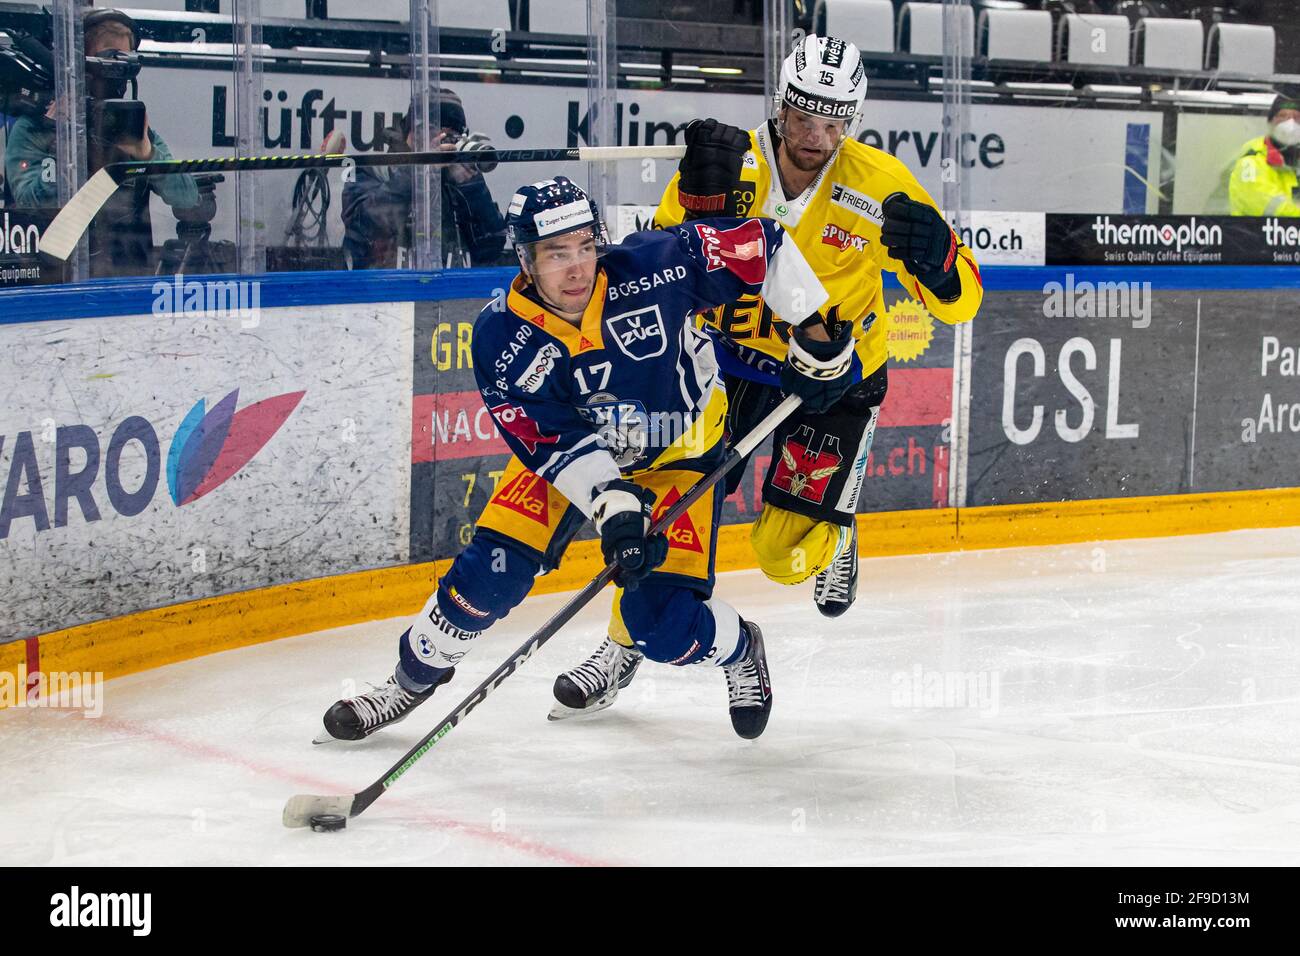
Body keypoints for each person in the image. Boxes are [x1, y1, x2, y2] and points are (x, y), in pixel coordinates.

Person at [319, 175, 852, 742]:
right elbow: (549, 440)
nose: (576, 268)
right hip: (578, 457)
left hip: (680, 451)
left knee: (664, 628)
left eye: (584, 246)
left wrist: (816, 329)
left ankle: (741, 647)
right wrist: (613, 501)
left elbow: (762, 245)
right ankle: (411, 679)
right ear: (525, 259)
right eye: (555, 254)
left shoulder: (656, 266)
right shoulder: (501, 337)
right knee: (489, 576)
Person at [551, 34, 983, 718]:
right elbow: (656, 263)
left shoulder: (882, 185)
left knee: (782, 558)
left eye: (833, 122)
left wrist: (938, 262)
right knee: (663, 510)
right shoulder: (728, 160)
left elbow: (963, 301)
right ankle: (624, 645)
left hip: (834, 381)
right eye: (804, 117)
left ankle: (834, 528)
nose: (816, 136)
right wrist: (697, 208)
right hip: (730, 368)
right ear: (781, 106)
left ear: (855, 120)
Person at [3, 7, 197, 275]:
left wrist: (147, 153)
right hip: (55, 285)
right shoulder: (34, 128)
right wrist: (65, 140)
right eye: (108, 61)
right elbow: (30, 206)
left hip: (127, 284)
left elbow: (187, 199)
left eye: (123, 61)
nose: (115, 73)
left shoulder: (130, 127)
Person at [341, 87, 506, 268]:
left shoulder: (461, 176)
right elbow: (362, 229)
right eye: (436, 132)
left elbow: (491, 248)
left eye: (451, 136)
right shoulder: (374, 169)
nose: (442, 142)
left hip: (453, 292)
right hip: (389, 290)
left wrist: (470, 187)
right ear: (411, 132)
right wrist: (419, 172)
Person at [1229, 89, 1300, 217]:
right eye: (1283, 116)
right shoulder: (1251, 162)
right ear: (1271, 123)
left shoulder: (1295, 162)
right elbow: (1270, 208)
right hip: (1258, 235)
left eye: (1297, 117)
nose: (1290, 124)